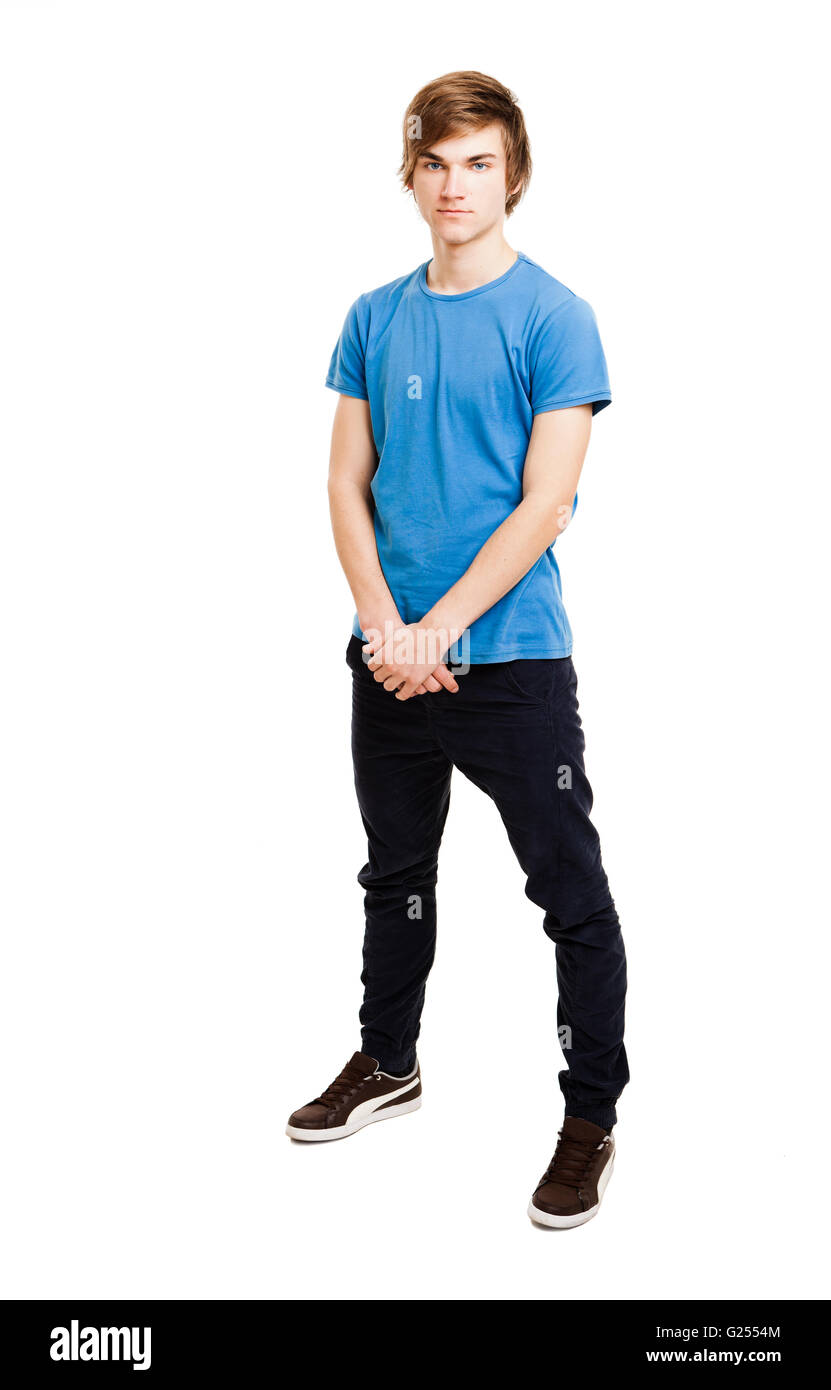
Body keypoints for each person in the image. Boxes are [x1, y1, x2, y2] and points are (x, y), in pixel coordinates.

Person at [286, 70, 629, 1229]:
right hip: (385, 659)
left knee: (570, 895)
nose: (454, 184)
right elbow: (344, 479)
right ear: (411, 174)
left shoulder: (554, 315)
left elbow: (547, 503)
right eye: (435, 162)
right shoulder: (373, 315)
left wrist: (442, 628)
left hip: (513, 661)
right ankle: (391, 1061)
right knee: (395, 876)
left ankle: (591, 1116)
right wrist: (386, 623)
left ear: (512, 174)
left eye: (477, 162)